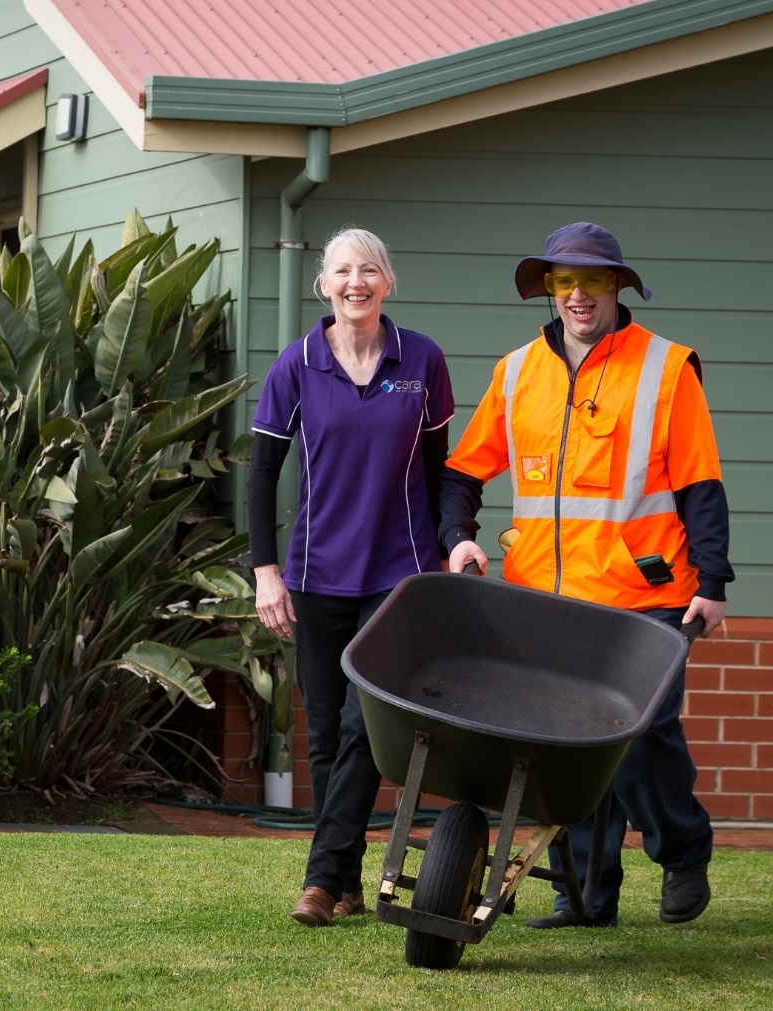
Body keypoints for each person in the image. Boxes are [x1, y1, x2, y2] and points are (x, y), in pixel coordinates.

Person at [439, 221, 733, 928]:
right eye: (564, 281)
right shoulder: (515, 372)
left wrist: (713, 581)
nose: (578, 295)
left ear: (616, 287)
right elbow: (462, 472)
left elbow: (701, 484)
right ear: (548, 288)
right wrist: (458, 538)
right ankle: (584, 894)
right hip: (546, 598)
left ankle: (682, 852)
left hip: (646, 595)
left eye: (593, 280)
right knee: (564, 746)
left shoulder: (666, 367)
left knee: (641, 733)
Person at [248, 227, 454, 927]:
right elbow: (261, 474)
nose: (355, 282)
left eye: (368, 270)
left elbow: (439, 471)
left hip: (399, 572)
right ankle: (346, 881)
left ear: (387, 282)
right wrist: (265, 571)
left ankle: (317, 881)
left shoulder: (421, 360)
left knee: (363, 724)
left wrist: (451, 546)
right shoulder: (298, 363)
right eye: (342, 271)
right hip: (316, 573)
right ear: (324, 285)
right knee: (326, 738)